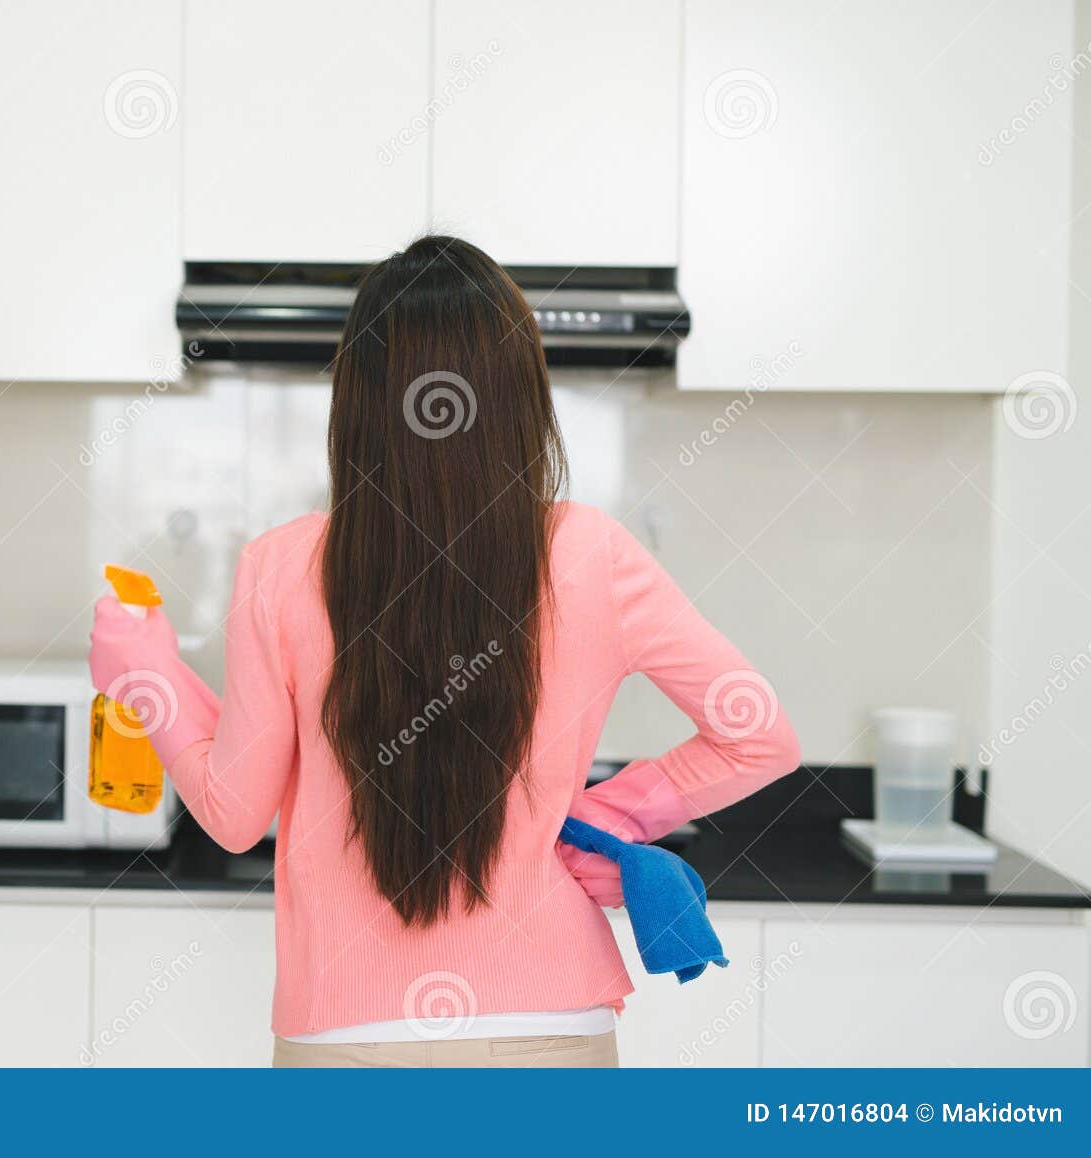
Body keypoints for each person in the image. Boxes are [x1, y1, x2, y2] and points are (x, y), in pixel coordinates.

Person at [89, 235, 800, 1068]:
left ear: (356, 401)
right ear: (520, 395)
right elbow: (760, 735)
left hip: (343, 1044)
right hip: (552, 1032)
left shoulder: (279, 567)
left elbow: (235, 816)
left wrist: (147, 673)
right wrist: (608, 816)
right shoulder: (593, 553)